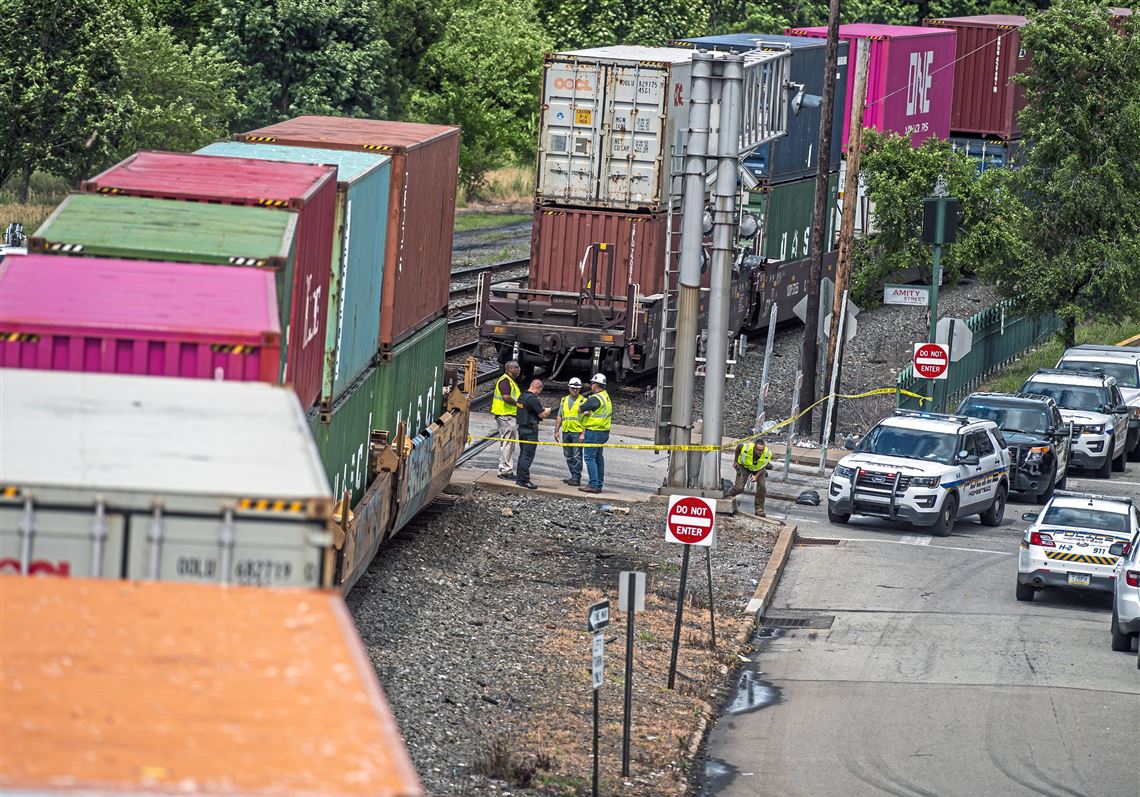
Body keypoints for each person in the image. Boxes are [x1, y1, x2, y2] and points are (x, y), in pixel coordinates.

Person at [578, 373, 611, 494]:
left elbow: (580, 408)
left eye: (593, 383)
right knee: (598, 458)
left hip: (594, 431)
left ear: (597, 385)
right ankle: (598, 484)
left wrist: (586, 410)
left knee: (589, 457)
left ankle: (593, 484)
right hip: (603, 432)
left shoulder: (595, 398)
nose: (591, 385)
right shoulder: (605, 396)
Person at [515, 379, 550, 489]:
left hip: (522, 428)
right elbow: (542, 415)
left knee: (523, 454)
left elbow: (529, 409)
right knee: (528, 456)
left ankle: (520, 478)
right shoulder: (532, 398)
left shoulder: (522, 396)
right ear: (538, 387)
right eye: (540, 389)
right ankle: (524, 480)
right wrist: (547, 411)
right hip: (530, 430)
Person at [491, 361, 522, 479]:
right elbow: (506, 397)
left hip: (507, 415)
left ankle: (506, 469)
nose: (519, 369)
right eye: (516, 367)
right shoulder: (505, 381)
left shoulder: (509, 381)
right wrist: (518, 404)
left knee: (508, 443)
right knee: (507, 443)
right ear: (510, 369)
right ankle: (505, 470)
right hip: (505, 415)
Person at [553, 378, 586, 486]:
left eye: (577, 388)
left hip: (577, 431)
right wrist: (556, 430)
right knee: (568, 454)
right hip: (566, 431)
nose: (575, 390)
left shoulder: (583, 401)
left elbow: (587, 419)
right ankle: (573, 475)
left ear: (580, 389)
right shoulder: (564, 400)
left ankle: (576, 477)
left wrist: (583, 433)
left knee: (577, 455)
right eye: (573, 388)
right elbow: (560, 416)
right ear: (569, 388)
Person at [729, 438, 772, 516]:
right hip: (744, 467)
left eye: (762, 450)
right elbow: (738, 447)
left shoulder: (767, 453)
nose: (761, 452)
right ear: (754, 448)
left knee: (762, 487)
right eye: (759, 450)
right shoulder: (746, 447)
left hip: (759, 470)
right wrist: (735, 461)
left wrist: (756, 476)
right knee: (739, 488)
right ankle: (729, 494)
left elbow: (763, 465)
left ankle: (759, 508)